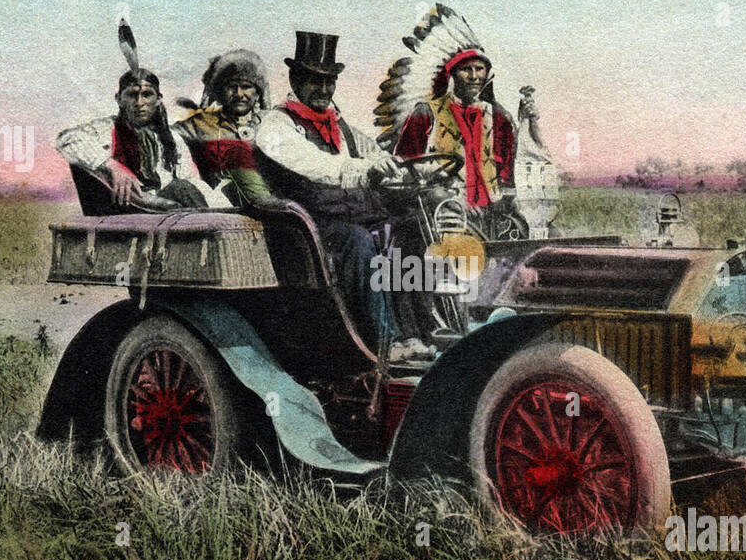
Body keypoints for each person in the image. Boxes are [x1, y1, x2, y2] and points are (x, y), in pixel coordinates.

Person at [254, 31, 429, 359]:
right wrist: (364, 170)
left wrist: (403, 168)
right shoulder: (276, 126)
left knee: (411, 227)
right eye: (315, 81)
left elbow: (372, 152)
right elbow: (316, 164)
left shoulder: (337, 122)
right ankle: (385, 341)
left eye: (329, 81)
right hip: (305, 228)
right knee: (358, 241)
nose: (323, 89)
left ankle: (415, 332)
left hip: (347, 214)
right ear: (295, 80)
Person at [56, 68, 228, 212]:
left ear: (158, 99)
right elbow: (66, 140)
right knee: (180, 188)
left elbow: (191, 180)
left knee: (187, 188)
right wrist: (114, 167)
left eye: (146, 95)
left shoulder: (170, 138)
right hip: (132, 208)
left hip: (169, 208)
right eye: (132, 95)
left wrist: (226, 209)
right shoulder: (106, 129)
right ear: (119, 99)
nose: (139, 102)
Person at [393, 47, 532, 211]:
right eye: (466, 69)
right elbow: (403, 165)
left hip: (492, 208)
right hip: (443, 208)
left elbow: (509, 168)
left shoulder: (498, 116)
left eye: (479, 69)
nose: (473, 76)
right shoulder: (426, 112)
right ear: (452, 74)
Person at [174, 49, 274, 207]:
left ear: (257, 92)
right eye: (232, 87)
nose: (239, 94)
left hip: (273, 205)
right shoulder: (201, 124)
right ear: (220, 91)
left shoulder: (272, 122)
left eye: (246, 86)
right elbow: (165, 135)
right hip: (221, 206)